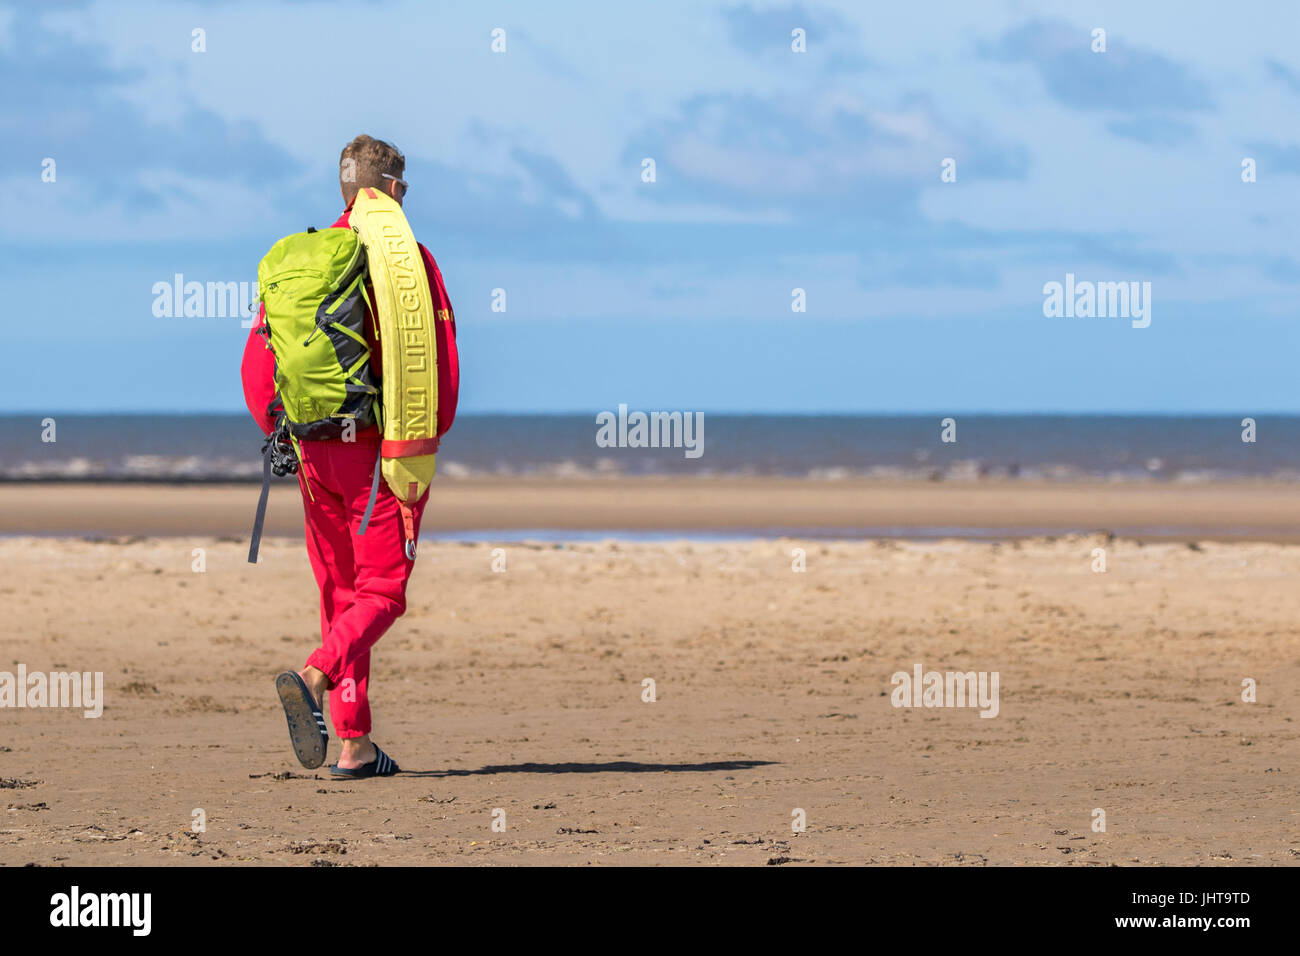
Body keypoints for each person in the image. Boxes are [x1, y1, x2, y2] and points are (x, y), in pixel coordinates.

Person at [241, 134, 458, 778]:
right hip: (374, 456)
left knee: (343, 596)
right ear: (391, 188)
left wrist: (285, 432)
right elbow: (439, 368)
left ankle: (354, 744)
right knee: (384, 593)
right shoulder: (408, 260)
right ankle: (313, 677)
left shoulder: (300, 260)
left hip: (311, 455)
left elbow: (259, 366)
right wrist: (420, 445)